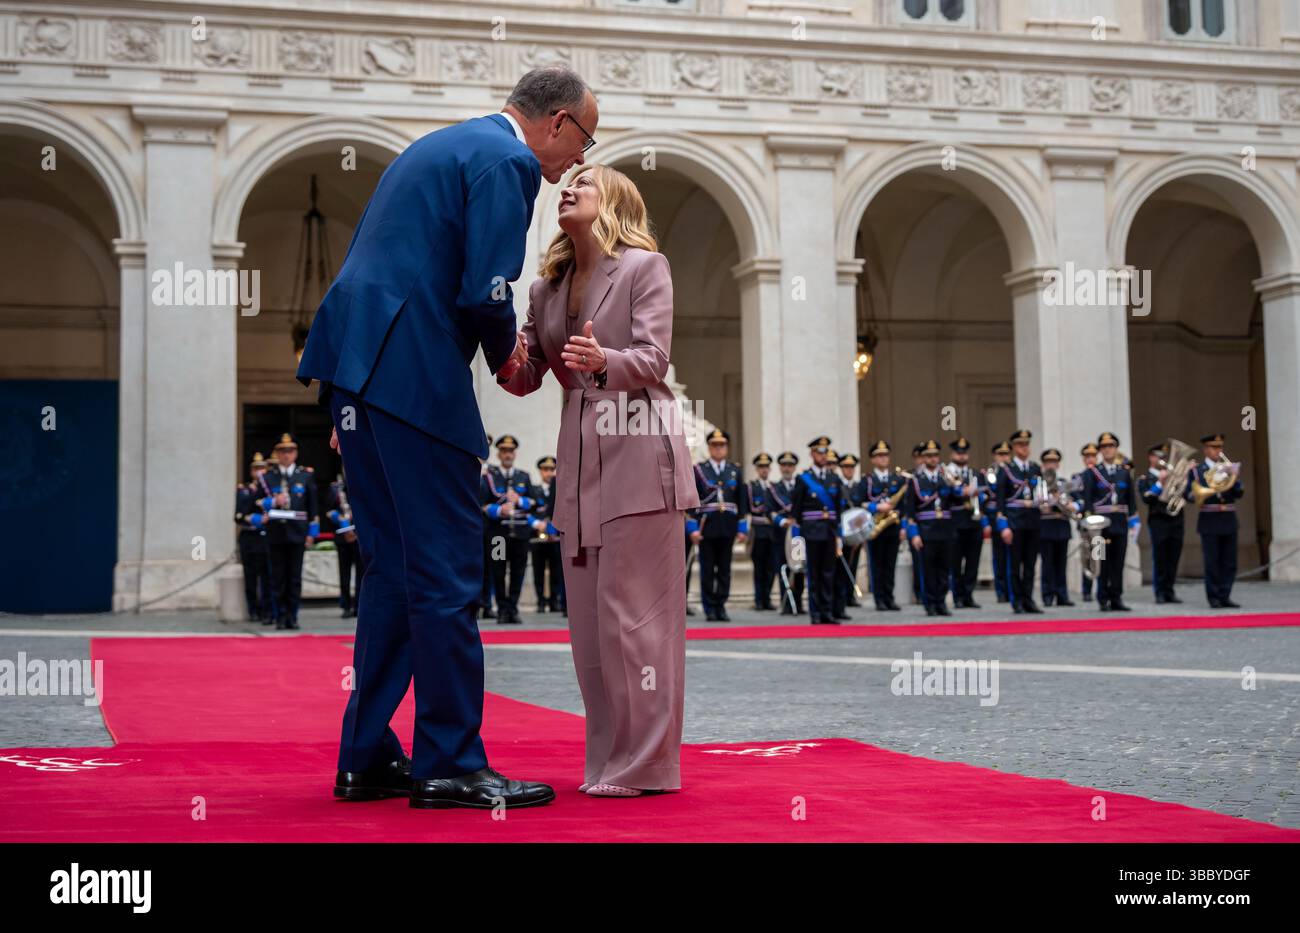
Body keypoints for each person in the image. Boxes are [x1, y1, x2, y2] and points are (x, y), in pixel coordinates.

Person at [299, 66, 597, 809]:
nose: (578, 160)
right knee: (446, 574)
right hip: (413, 383)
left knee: (394, 575)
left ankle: (366, 755)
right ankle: (451, 760)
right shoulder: (509, 161)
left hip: (359, 378)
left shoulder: (434, 147)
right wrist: (511, 359)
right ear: (556, 122)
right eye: (584, 140)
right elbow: (485, 289)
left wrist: (354, 399)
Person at [497, 162, 700, 797]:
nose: (569, 190)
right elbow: (525, 374)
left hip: (640, 444)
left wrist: (603, 360)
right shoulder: (547, 288)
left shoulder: (646, 267)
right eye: (565, 187)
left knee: (634, 617)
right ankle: (609, 760)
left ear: (613, 201)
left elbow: (655, 356)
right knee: (587, 621)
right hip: (579, 450)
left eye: (583, 185)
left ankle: (647, 766)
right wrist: (494, 338)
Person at [787, 436, 849, 624]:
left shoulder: (834, 478)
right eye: (819, 452)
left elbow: (838, 509)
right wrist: (797, 537)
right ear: (812, 454)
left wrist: (839, 534)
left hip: (829, 531)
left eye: (825, 452)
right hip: (812, 532)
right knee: (813, 573)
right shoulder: (803, 479)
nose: (822, 456)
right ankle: (815, 613)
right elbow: (796, 510)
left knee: (828, 573)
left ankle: (827, 611)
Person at [689, 428, 748, 621]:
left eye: (722, 445)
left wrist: (742, 528)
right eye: (715, 445)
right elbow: (691, 502)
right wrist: (693, 529)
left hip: (727, 527)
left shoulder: (734, 470)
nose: (718, 449)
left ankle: (721, 605)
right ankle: (709, 608)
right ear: (709, 448)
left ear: (727, 447)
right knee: (707, 570)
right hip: (707, 527)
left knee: (724, 570)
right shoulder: (699, 470)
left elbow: (741, 501)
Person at [262, 433, 319, 630]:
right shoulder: (268, 477)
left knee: (294, 577)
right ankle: (279, 616)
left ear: (295, 453)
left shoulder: (305, 475)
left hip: (297, 532)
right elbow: (258, 502)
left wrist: (312, 533)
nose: (286, 455)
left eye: (290, 451)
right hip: (275, 533)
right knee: (277, 577)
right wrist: (272, 502)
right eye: (282, 451)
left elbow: (313, 508)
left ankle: (292, 616)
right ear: (277, 454)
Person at [480, 434, 537, 625]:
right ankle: (502, 608)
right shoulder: (490, 476)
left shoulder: (523, 476)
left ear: (515, 454)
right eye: (504, 451)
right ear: (498, 453)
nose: (507, 454)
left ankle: (513, 608)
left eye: (510, 451)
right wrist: (500, 509)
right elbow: (483, 503)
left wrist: (519, 501)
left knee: (518, 572)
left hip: (520, 534)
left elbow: (534, 503)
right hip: (498, 534)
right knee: (498, 570)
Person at [904, 439, 965, 616]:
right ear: (923, 458)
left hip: (945, 529)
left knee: (944, 568)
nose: (933, 459)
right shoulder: (916, 481)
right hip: (926, 530)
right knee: (928, 569)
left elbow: (957, 500)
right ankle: (930, 602)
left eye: (935, 455)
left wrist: (958, 487)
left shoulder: (945, 478)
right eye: (929, 456)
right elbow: (910, 512)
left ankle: (941, 601)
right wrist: (914, 534)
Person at [1082, 431, 1139, 611]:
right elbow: (1088, 499)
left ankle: (1116, 597)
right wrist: (1089, 524)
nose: (1108, 450)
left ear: (1116, 449)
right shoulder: (1093, 473)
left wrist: (1133, 521)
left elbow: (1131, 500)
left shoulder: (1124, 472)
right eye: (1104, 447)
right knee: (1101, 562)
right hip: (1100, 525)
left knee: (1118, 563)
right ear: (1100, 450)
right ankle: (1102, 598)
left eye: (1111, 446)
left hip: (1120, 524)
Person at [1188, 433, 1243, 608]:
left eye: (1220, 447)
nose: (1218, 451)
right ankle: (1213, 597)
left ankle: (1225, 595)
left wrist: (1234, 478)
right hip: (1209, 519)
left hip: (1228, 518)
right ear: (1206, 449)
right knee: (1212, 562)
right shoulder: (1197, 470)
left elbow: (1238, 494)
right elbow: (1189, 495)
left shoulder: (1227, 467)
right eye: (1214, 447)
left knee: (1229, 562)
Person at [995, 429, 1043, 614]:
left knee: (1030, 564)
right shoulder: (1006, 470)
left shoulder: (1034, 468)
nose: (1024, 448)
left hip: (1033, 521)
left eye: (1026, 444)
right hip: (1014, 522)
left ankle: (1028, 598)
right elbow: (1000, 502)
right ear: (1014, 447)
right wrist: (1004, 526)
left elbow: (1039, 493)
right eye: (1021, 444)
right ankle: (1016, 600)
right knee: (1015, 565)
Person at [1138, 442, 1184, 604]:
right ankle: (1159, 592)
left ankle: (1169, 590)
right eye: (1159, 456)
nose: (1162, 460)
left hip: (1176, 520)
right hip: (1158, 521)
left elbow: (1184, 494)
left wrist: (1185, 474)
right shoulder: (1146, 478)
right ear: (1151, 458)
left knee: (1173, 557)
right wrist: (1160, 483)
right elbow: (1146, 498)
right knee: (1160, 557)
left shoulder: (1174, 475)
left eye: (1164, 457)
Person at [863, 440, 904, 611]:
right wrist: (876, 507)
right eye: (879, 456)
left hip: (892, 526)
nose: (883, 459)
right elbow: (859, 502)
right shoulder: (867, 480)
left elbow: (904, 504)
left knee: (890, 564)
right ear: (872, 459)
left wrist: (903, 527)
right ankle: (879, 598)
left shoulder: (898, 479)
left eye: (885, 455)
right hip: (875, 527)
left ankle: (889, 596)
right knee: (877, 564)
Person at [944, 437, 985, 609]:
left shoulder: (975, 474)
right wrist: (962, 491)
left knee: (972, 562)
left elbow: (985, 494)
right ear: (953, 454)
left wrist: (978, 495)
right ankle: (957, 596)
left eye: (964, 453)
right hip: (956, 522)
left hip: (974, 522)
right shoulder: (947, 474)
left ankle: (968, 594)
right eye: (958, 453)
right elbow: (945, 495)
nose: (962, 456)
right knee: (955, 563)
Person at [235, 452, 274, 623]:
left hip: (266, 538)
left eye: (262, 469)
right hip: (249, 537)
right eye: (256, 469)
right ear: (251, 471)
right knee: (250, 577)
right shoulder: (244, 490)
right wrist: (258, 520)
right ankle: (253, 610)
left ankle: (268, 611)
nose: (259, 472)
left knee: (267, 577)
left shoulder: (270, 490)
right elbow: (238, 516)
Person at [1037, 448, 1074, 607]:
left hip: (1062, 524)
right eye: (1048, 462)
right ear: (1044, 465)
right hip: (1046, 524)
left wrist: (1067, 503)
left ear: (1058, 464)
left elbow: (1075, 503)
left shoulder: (1063, 483)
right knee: (1047, 563)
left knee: (1061, 563)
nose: (1051, 465)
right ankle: (1047, 594)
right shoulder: (1039, 483)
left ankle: (1062, 594)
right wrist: (1052, 499)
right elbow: (1038, 504)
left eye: (1054, 462)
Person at [530, 455, 565, 614]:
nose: (549, 473)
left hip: (554, 536)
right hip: (538, 536)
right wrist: (537, 524)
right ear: (540, 471)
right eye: (546, 469)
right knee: (538, 570)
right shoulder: (533, 490)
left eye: (552, 469)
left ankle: (554, 600)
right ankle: (540, 601)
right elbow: (529, 511)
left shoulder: (559, 489)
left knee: (556, 570)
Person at [745, 452, 780, 611]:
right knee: (759, 567)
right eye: (761, 467)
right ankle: (759, 599)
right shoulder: (752, 487)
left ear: (770, 469)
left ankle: (767, 598)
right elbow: (752, 507)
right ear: (757, 469)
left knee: (771, 567)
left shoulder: (774, 487)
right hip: (758, 531)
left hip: (772, 532)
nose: (764, 470)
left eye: (766, 467)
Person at [771, 451, 805, 615]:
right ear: (780, 467)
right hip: (781, 534)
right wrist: (783, 522)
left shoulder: (801, 485)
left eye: (790, 465)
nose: (787, 468)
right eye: (784, 465)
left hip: (797, 534)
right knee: (783, 568)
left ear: (794, 467)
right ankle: (786, 603)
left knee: (798, 568)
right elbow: (769, 511)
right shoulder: (774, 488)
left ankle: (798, 602)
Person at [327, 472, 363, 618]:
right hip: (342, 535)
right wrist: (341, 519)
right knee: (344, 573)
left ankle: (359, 604)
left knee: (361, 573)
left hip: (359, 535)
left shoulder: (362, 483)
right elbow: (328, 510)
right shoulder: (336, 488)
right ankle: (346, 604)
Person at [837, 453, 865, 609]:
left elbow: (861, 509)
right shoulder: (838, 486)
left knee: (853, 563)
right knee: (842, 565)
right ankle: (841, 595)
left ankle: (850, 595)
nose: (849, 470)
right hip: (842, 532)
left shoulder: (857, 487)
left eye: (851, 467)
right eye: (846, 467)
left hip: (855, 531)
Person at [1073, 442, 1099, 603]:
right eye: (1087, 456)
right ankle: (1087, 590)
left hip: (1100, 523)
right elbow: (1076, 497)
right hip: (1085, 523)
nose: (1090, 459)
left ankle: (1101, 588)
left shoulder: (1102, 476)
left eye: (1093, 456)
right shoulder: (1079, 477)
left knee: (1100, 556)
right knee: (1087, 556)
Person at [987, 441, 1012, 603]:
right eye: (1000, 454)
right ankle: (1001, 591)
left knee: (1014, 558)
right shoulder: (989, 474)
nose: (1003, 458)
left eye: (1006, 454)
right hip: (995, 518)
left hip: (1013, 517)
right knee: (999, 557)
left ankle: (1012, 590)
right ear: (995, 456)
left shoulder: (1014, 473)